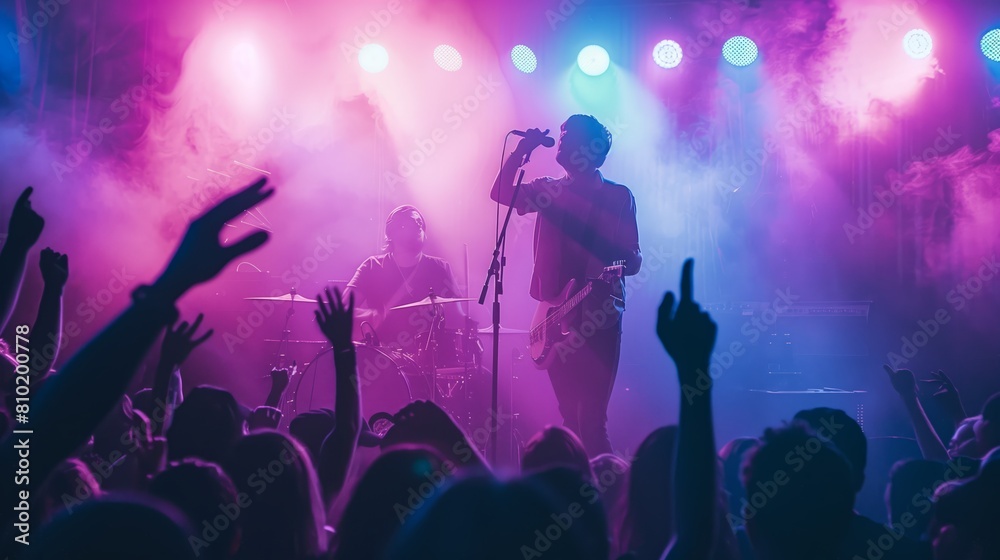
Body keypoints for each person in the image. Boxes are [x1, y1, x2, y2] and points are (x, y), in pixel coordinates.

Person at [490, 114, 642, 456]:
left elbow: (635, 257)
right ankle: (572, 499)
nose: (561, 139)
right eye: (561, 134)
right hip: (554, 316)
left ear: (590, 148)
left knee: (591, 421)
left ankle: (608, 498)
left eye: (568, 135)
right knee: (570, 422)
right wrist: (520, 152)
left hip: (600, 317)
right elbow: (499, 192)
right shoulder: (547, 189)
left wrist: (619, 266)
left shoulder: (617, 197)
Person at [344, 205, 462, 352]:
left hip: (429, 359)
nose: (418, 225)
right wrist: (374, 315)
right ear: (392, 233)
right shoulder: (372, 266)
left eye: (420, 223)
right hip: (381, 357)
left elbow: (457, 317)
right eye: (412, 222)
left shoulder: (440, 267)